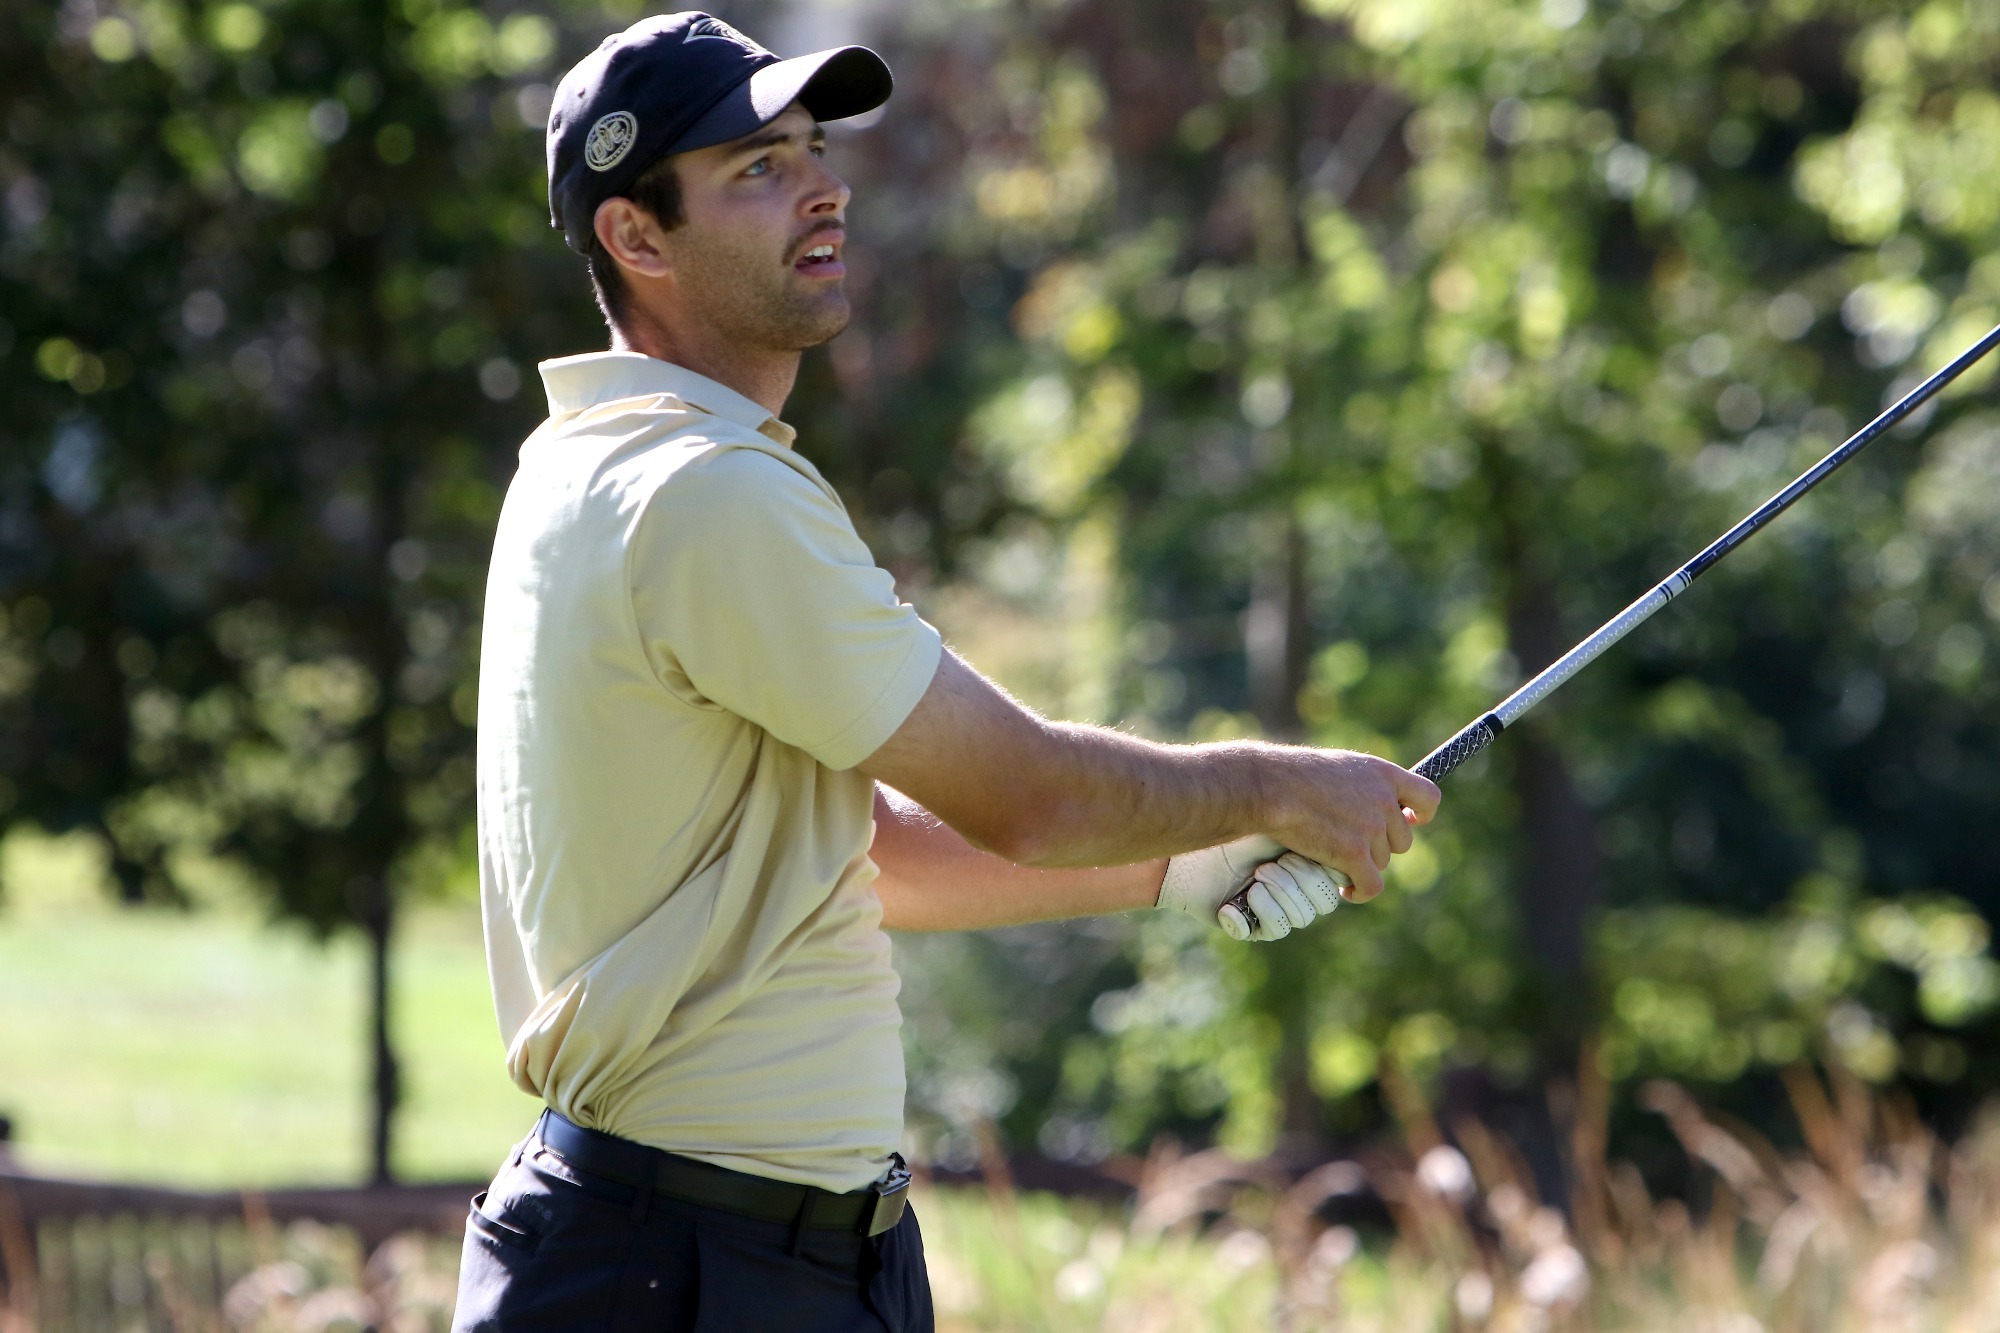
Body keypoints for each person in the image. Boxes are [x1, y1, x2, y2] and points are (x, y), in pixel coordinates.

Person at [452, 13, 1440, 1331]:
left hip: (742, 1255)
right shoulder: (701, 492)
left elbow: (858, 851)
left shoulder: (585, 461)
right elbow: (1023, 791)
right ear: (637, 237)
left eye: (812, 148)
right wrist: (1269, 783)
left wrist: (1185, 860)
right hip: (688, 1266)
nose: (824, 185)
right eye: (755, 164)